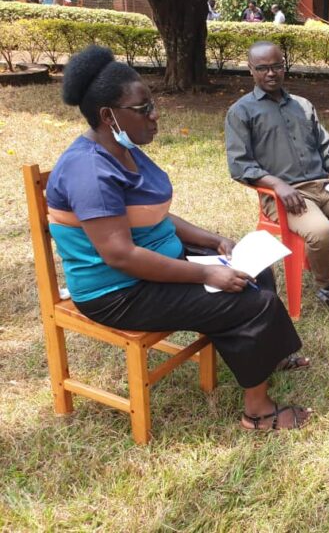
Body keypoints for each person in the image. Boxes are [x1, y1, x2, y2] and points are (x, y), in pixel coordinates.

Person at [48, 45, 311, 433]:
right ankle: (257, 412)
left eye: (152, 104)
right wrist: (206, 274)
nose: (155, 114)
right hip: (118, 292)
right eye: (143, 109)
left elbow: (153, 215)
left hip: (151, 265)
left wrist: (213, 240)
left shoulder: (123, 149)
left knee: (255, 270)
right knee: (250, 302)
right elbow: (121, 255)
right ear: (108, 116)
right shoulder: (89, 171)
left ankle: (267, 357)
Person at [225, 41, 329, 321]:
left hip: (324, 187)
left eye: (277, 66)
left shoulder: (302, 106)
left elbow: (326, 152)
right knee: (321, 232)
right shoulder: (241, 112)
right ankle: (326, 283)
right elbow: (240, 165)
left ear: (284, 66)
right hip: (285, 196)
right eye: (263, 68)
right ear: (250, 70)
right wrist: (277, 184)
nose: (271, 73)